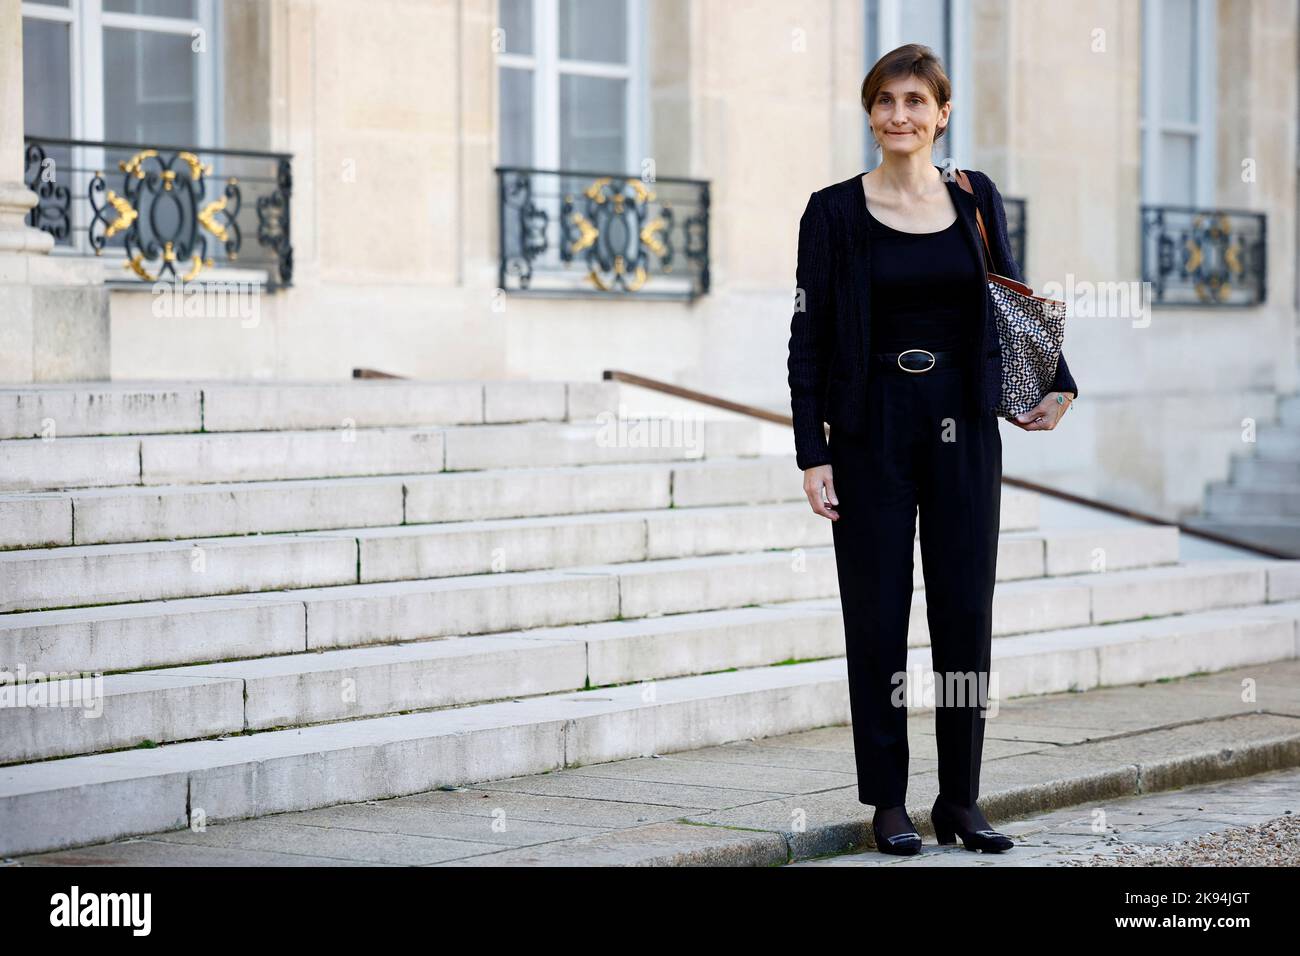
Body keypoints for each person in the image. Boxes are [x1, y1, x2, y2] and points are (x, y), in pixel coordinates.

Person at [786, 43, 1078, 855]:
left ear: (942, 113)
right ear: (870, 114)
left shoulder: (975, 197)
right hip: (871, 426)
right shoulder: (833, 211)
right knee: (876, 617)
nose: (900, 115)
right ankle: (888, 803)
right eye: (885, 101)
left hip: (962, 424)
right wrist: (814, 452)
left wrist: (1051, 383)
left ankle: (961, 800)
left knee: (963, 613)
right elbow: (808, 336)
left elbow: (1009, 293)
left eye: (916, 101)